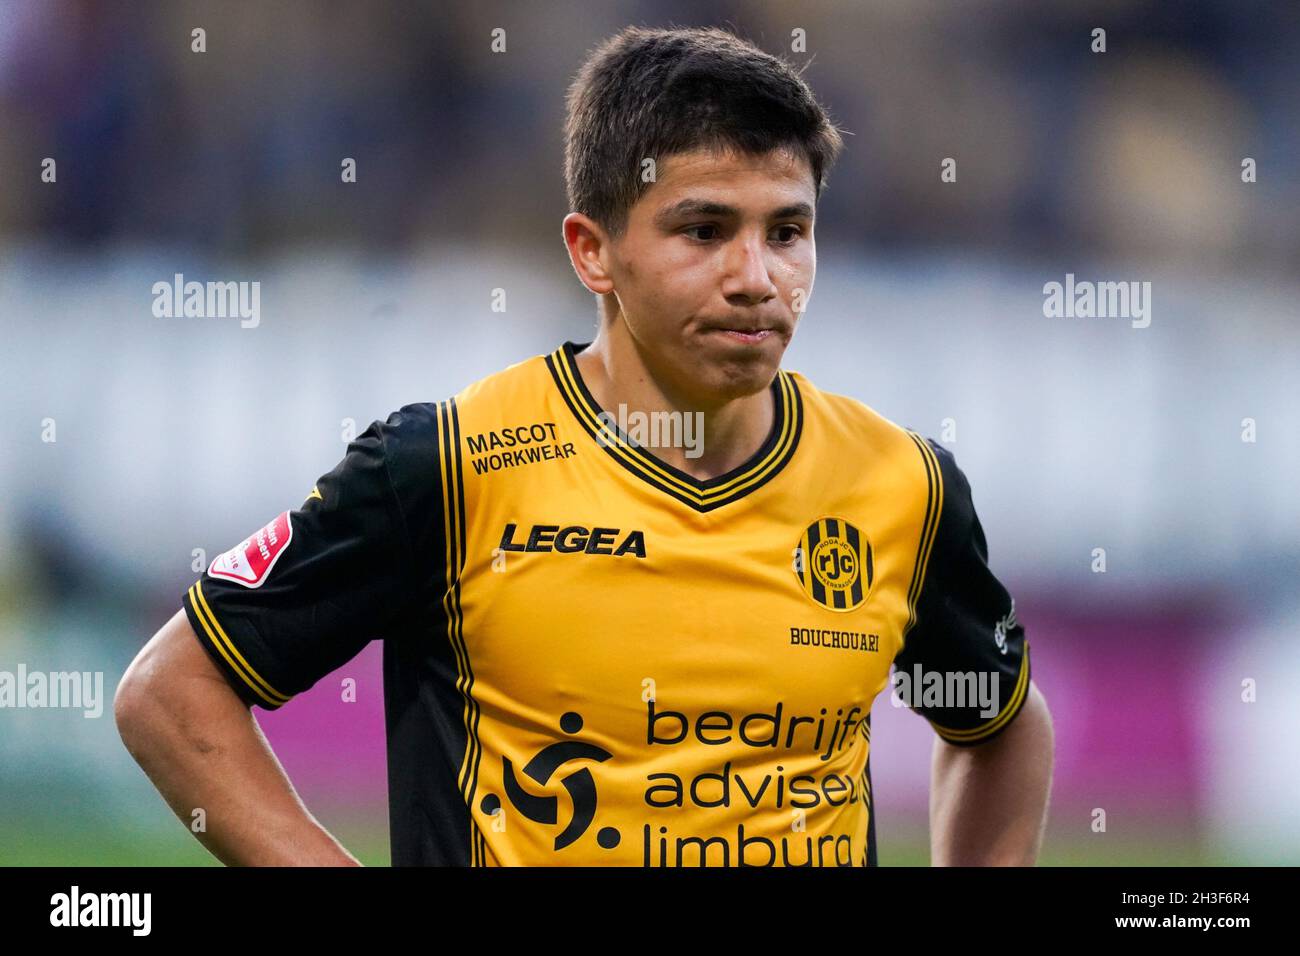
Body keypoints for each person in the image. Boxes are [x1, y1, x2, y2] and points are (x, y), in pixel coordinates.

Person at [115, 25, 1053, 867]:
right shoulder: (449, 467)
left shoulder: (902, 485)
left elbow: (1001, 724)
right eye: (705, 230)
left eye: (788, 232)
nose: (757, 278)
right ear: (592, 251)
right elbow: (170, 693)